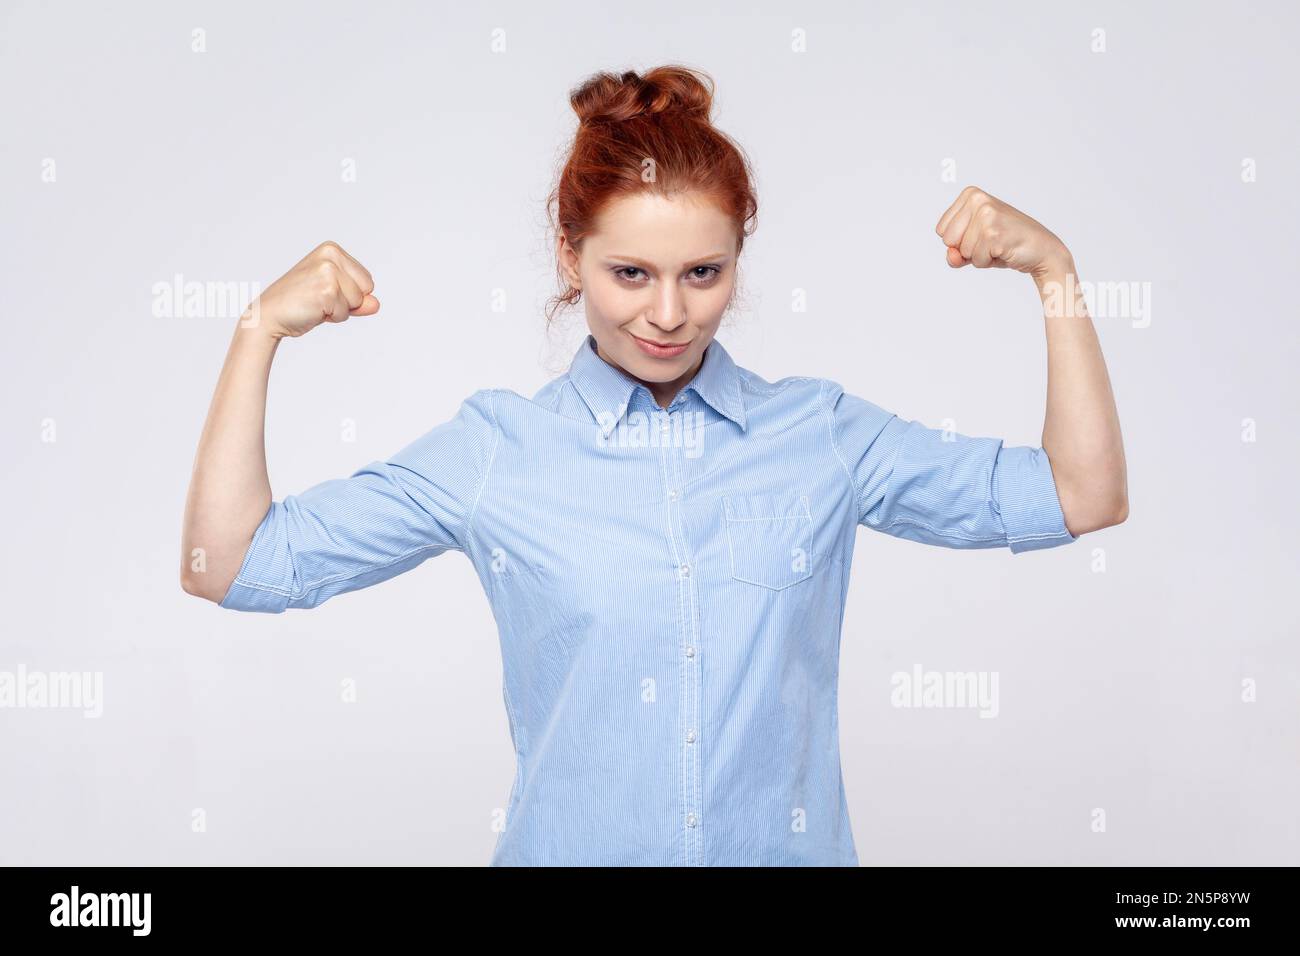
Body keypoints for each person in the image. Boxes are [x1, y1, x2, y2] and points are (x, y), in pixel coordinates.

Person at [180, 65, 1128, 866]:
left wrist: (1057, 273)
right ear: (570, 255)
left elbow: (1079, 494)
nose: (668, 315)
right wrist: (257, 331)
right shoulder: (498, 452)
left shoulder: (821, 436)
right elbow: (235, 565)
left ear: (738, 259)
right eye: (630, 273)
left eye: (702, 274)